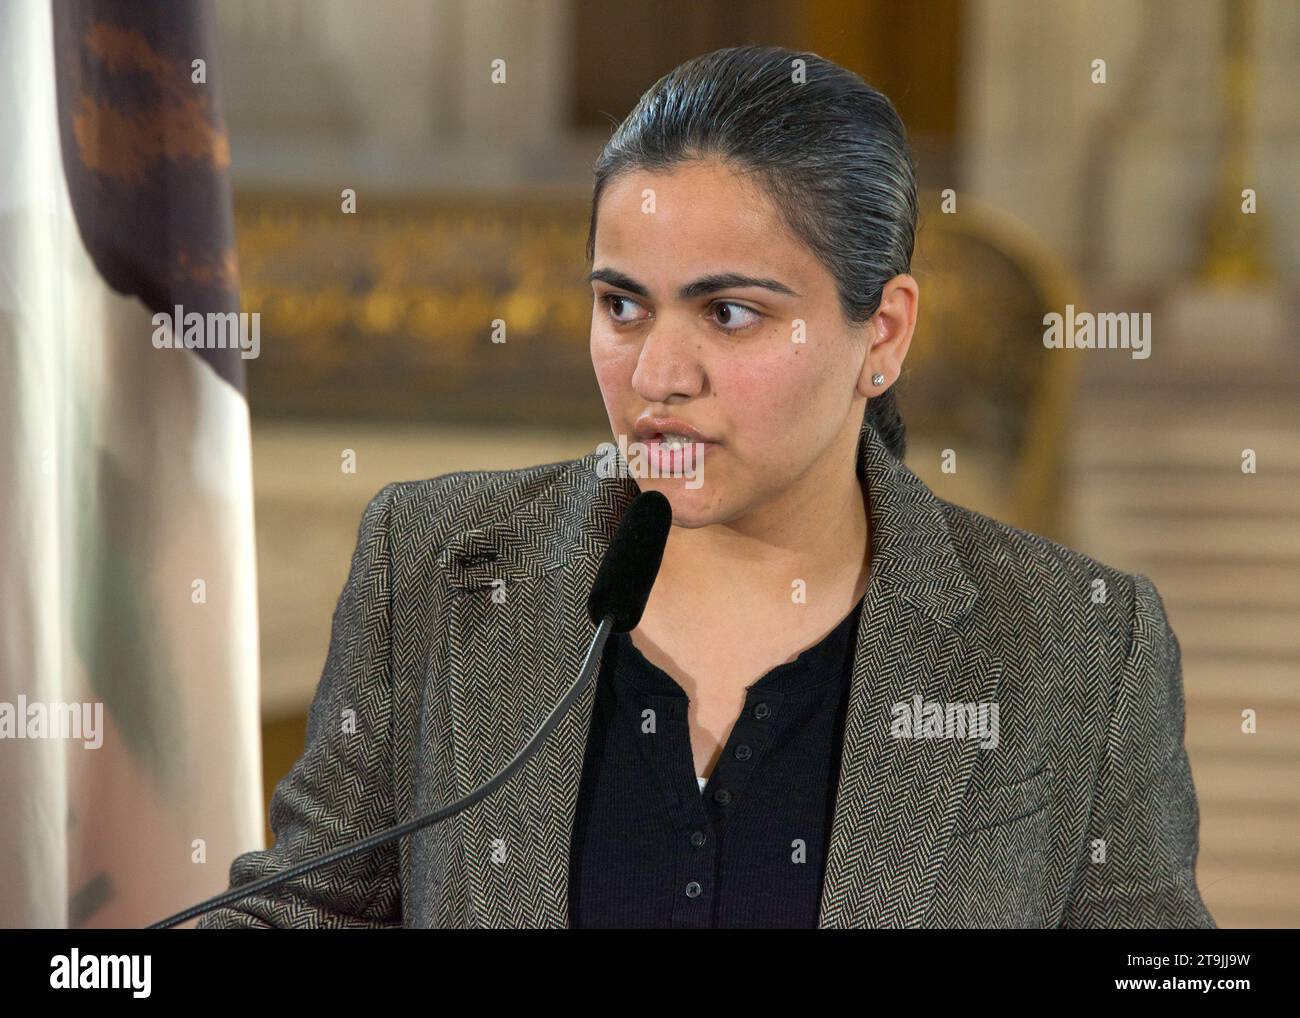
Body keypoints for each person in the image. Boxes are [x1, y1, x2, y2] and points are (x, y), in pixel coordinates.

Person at [198, 45, 1214, 928]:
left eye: (728, 313)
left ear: (885, 333)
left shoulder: (1078, 640)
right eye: (622, 305)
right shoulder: (431, 563)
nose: (655, 375)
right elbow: (305, 913)